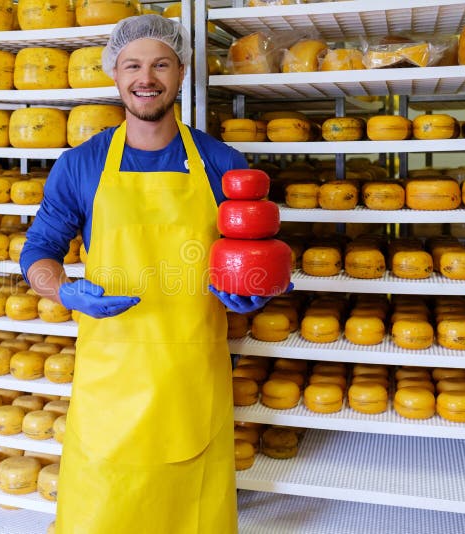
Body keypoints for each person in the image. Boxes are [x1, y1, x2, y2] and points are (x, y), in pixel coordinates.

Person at [20, 14, 284, 533]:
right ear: (115, 76)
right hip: (110, 378)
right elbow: (38, 252)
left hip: (191, 377)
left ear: (181, 72)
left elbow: (257, 251)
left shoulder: (222, 162)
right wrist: (66, 291)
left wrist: (258, 290)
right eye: (133, 65)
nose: (147, 78)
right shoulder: (80, 165)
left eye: (160, 64)